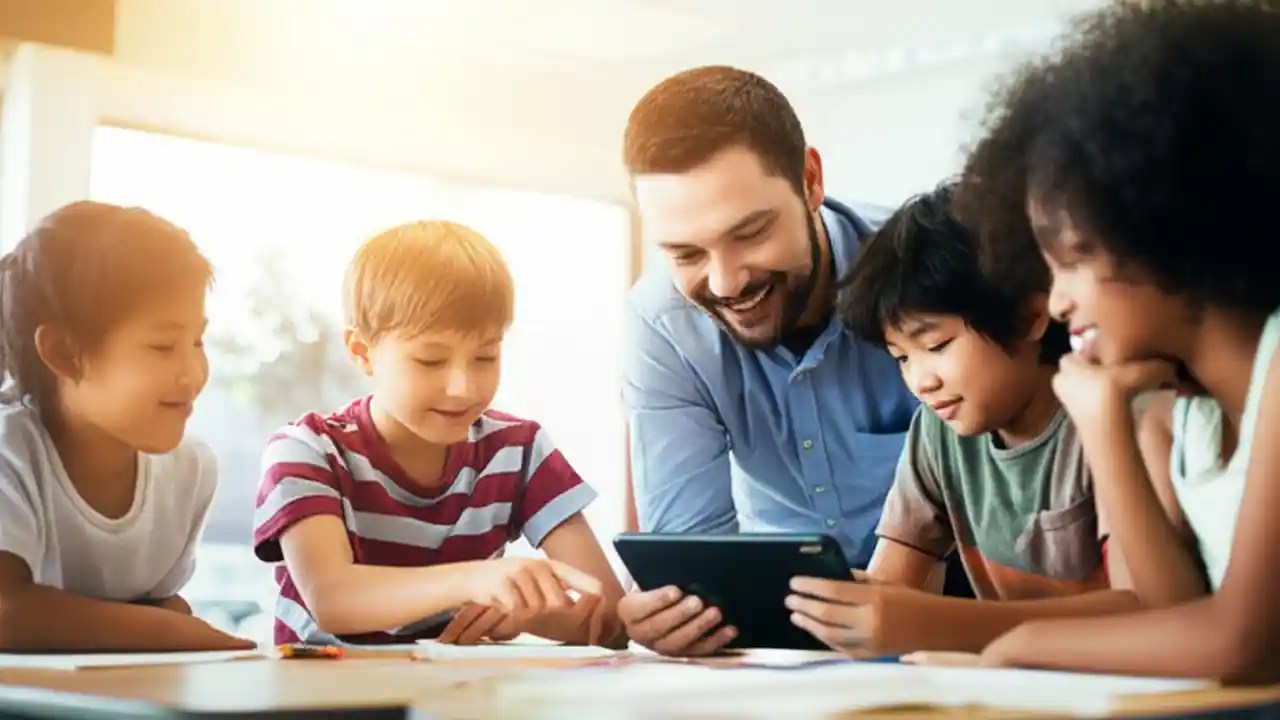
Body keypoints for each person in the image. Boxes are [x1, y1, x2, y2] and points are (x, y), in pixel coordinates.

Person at [954, 0, 1280, 681]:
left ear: (1170, 223)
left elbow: (1241, 644)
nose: (1060, 298)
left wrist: (1018, 645)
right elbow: (1179, 617)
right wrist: (1103, 426)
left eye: (1073, 257)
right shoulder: (1181, 416)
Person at [616, 65, 962, 657]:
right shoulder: (660, 324)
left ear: (809, 180)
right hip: (782, 630)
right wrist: (669, 614)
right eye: (686, 252)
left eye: (750, 233)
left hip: (954, 613)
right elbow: (690, 546)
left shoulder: (928, 268)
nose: (725, 282)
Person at [785, 182, 1143, 657]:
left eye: (936, 346)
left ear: (1030, 316)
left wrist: (946, 624)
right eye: (901, 357)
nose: (920, 381)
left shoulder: (1103, 417)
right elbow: (892, 585)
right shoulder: (938, 431)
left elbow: (1147, 609)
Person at [253, 220, 626, 647]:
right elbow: (332, 598)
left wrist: (526, 617)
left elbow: (609, 615)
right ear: (362, 352)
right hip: (325, 702)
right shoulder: (307, 450)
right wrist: (474, 579)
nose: (463, 388)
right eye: (431, 361)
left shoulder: (519, 449)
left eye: (485, 356)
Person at [0, 201, 253, 651]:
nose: (193, 371)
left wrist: (168, 623)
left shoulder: (190, 469)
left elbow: (160, 606)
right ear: (63, 354)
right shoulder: (10, 451)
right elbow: (6, 614)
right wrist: (175, 631)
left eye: (197, 340)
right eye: (162, 346)